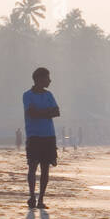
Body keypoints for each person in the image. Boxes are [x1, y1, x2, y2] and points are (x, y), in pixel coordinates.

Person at [23, 67, 61, 209]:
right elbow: (32, 113)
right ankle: (32, 196)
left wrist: (40, 112)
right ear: (39, 79)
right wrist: (47, 112)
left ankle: (41, 199)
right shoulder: (27, 95)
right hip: (34, 136)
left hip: (48, 136)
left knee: (45, 169)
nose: (49, 80)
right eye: (47, 78)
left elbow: (56, 112)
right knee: (32, 167)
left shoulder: (49, 94)